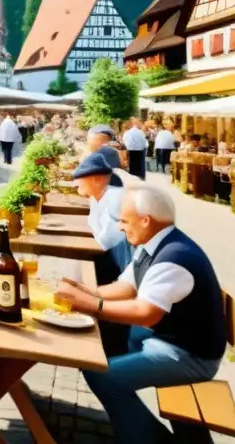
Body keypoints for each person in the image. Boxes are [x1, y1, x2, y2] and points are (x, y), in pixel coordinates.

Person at [56, 184, 226, 444]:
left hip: (191, 357)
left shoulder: (174, 258)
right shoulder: (155, 245)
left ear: (146, 220)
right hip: (172, 342)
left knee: (102, 375)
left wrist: (88, 305)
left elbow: (145, 313)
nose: (120, 227)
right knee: (107, 345)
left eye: (124, 220)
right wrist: (83, 290)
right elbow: (126, 287)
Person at [70, 151, 134, 357]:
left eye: (81, 177)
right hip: (119, 266)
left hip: (126, 273)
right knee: (80, 273)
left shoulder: (114, 198)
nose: (76, 182)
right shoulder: (101, 197)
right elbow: (96, 232)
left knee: (82, 280)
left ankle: (104, 353)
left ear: (97, 179)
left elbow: (107, 240)